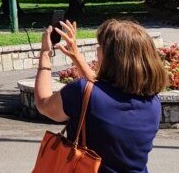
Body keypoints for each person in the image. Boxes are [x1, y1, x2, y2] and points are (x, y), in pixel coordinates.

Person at [35, 19, 168, 173]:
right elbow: (102, 91)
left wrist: (45, 53)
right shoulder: (153, 103)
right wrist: (76, 56)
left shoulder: (81, 92)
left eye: (100, 45)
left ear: (111, 56)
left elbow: (44, 104)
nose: (97, 49)